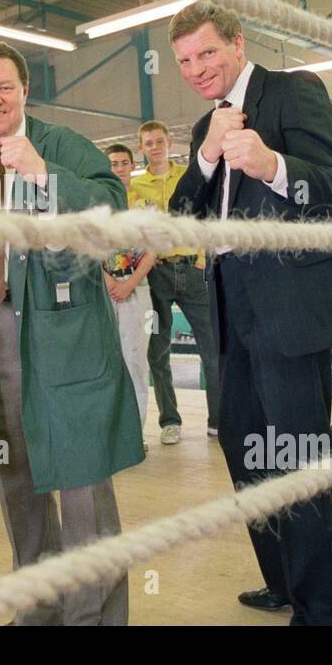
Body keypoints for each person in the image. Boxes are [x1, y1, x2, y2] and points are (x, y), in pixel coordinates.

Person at [0, 40, 143, 626]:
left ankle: (94, 619)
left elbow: (112, 217)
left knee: (83, 486)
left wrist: (44, 173)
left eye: (5, 86)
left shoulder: (63, 146)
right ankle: (38, 613)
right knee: (20, 487)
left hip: (66, 341)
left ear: (25, 91)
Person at [168, 2, 332, 625]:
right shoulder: (204, 128)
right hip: (228, 304)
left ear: (238, 44)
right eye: (184, 61)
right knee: (246, 450)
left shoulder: (293, 93)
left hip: (290, 302)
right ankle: (283, 580)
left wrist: (274, 166)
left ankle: (323, 611)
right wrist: (205, 158)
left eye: (206, 53)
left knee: (297, 457)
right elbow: (180, 218)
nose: (197, 69)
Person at [132, 120, 223, 444]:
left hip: (193, 272)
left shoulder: (189, 176)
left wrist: (202, 256)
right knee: (158, 352)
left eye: (159, 141)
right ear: (141, 148)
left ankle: (218, 420)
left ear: (170, 142)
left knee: (212, 349)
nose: (154, 147)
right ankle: (170, 421)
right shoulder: (135, 187)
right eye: (148, 143)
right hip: (156, 275)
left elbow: (206, 216)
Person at [102, 144, 155, 451]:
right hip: (104, 289)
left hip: (137, 290)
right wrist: (108, 279)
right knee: (108, 362)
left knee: (136, 361)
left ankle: (135, 433)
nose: (119, 168)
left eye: (124, 163)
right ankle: (110, 433)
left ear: (132, 166)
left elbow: (152, 249)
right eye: (113, 163)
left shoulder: (144, 207)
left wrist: (130, 283)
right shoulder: (94, 205)